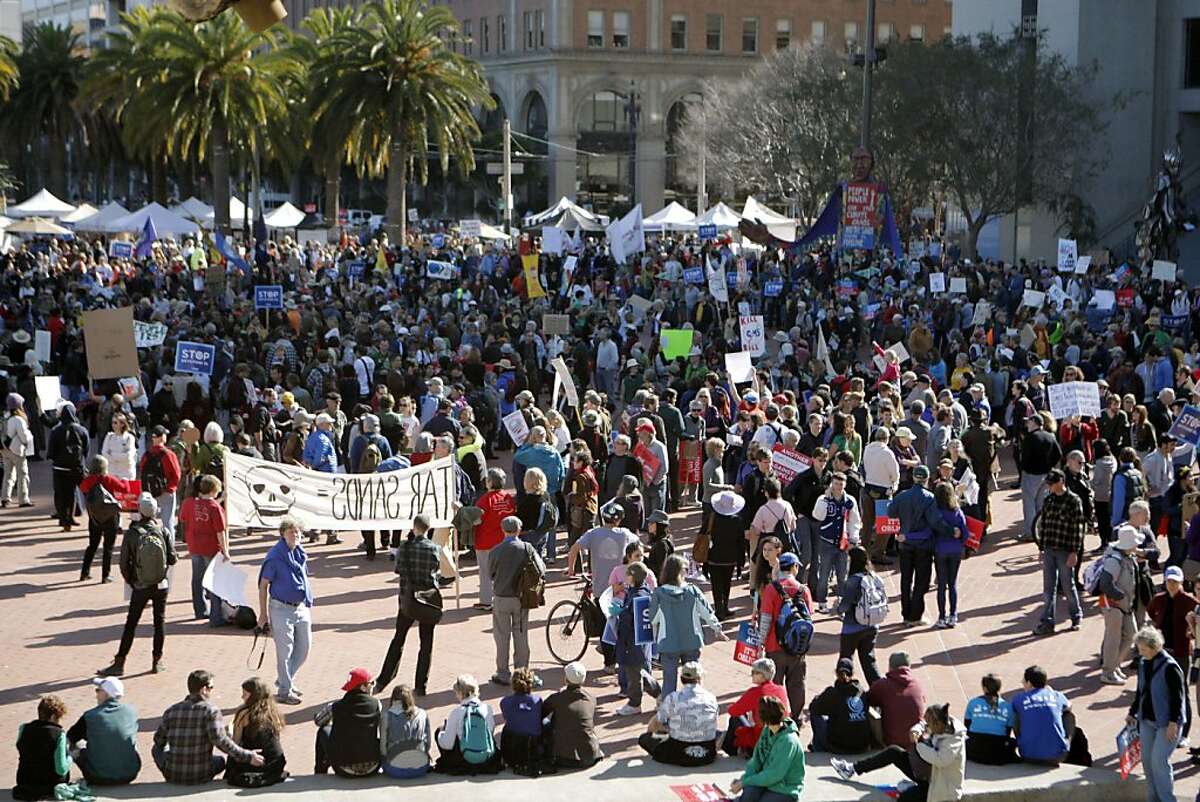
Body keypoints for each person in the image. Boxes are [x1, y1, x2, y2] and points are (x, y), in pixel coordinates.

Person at [96, 494, 177, 677]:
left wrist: (132, 581)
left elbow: (123, 563)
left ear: (140, 511)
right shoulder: (163, 531)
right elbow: (172, 558)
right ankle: (157, 661)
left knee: (131, 624)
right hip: (161, 584)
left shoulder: (133, 533)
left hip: (140, 585)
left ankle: (120, 662)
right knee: (159, 623)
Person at [831, 702, 965, 802]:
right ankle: (853, 769)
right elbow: (923, 723)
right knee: (894, 751)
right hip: (928, 775)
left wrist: (918, 744)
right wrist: (916, 730)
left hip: (939, 789)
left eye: (930, 725)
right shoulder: (941, 722)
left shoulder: (954, 740)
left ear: (938, 725)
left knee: (905, 798)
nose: (927, 727)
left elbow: (940, 759)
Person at [153, 670, 264, 784]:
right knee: (220, 761)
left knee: (156, 750)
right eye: (211, 687)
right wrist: (248, 756)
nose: (211, 691)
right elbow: (221, 742)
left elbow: (158, 741)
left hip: (173, 774)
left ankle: (174, 767)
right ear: (204, 690)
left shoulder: (171, 711)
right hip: (201, 774)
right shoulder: (210, 711)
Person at [375, 514, 440, 696]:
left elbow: (399, 569)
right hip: (427, 598)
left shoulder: (405, 547)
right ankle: (421, 685)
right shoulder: (434, 548)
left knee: (399, 638)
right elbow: (435, 570)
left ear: (414, 527)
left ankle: (384, 678)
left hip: (408, 598)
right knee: (426, 643)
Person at [649, 554, 727, 697]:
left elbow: (653, 619)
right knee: (693, 681)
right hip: (692, 641)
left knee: (669, 681)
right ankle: (694, 707)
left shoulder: (659, 594)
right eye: (685, 569)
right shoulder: (693, 591)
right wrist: (717, 630)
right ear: (680, 572)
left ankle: (667, 712)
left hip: (668, 643)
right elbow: (707, 612)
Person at [257, 515, 314, 705]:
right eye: (291, 532)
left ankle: (285, 678)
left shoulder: (299, 553)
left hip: (300, 607)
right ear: (283, 534)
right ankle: (284, 690)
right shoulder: (274, 557)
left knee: (304, 648)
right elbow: (263, 585)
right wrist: (263, 614)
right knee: (285, 650)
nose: (296, 535)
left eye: (297, 531)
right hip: (281, 608)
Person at [888, 465, 954, 626]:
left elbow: (891, 513)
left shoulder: (902, 496)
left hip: (905, 545)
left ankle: (906, 614)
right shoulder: (929, 498)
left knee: (906, 580)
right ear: (926, 479)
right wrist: (951, 531)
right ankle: (916, 615)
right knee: (922, 581)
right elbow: (935, 521)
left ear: (913, 478)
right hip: (924, 545)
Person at [1127, 626, 1186, 802]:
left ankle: (1167, 799)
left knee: (1159, 761)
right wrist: (1132, 712)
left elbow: (1178, 698)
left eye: (1143, 649)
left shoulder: (1170, 667)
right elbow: (1141, 691)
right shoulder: (1144, 664)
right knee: (1147, 760)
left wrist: (1173, 723)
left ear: (1154, 647)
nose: (1141, 652)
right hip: (1147, 719)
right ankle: (1153, 798)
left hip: (1167, 723)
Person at [490, 515, 545, 687]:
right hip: (521, 597)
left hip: (501, 596)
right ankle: (522, 670)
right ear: (519, 530)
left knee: (501, 636)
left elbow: (490, 573)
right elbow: (541, 569)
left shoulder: (496, 550)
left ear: (502, 529)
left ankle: (502, 672)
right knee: (521, 634)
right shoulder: (527, 548)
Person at [757, 552, 813, 722]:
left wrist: (761, 643)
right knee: (797, 684)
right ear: (794, 567)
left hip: (775, 646)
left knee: (774, 685)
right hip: (798, 647)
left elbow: (765, 619)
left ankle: (776, 718)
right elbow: (809, 618)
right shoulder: (804, 590)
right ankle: (796, 718)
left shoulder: (771, 589)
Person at [1031, 468, 1086, 636]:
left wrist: (1074, 552)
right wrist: (1041, 547)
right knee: (1048, 588)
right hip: (1049, 549)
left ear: (1061, 482)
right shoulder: (1049, 500)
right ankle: (1047, 622)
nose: (1049, 487)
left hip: (1064, 550)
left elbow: (1078, 529)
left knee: (1068, 586)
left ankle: (1076, 616)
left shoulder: (1073, 501)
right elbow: (1044, 525)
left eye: (1052, 483)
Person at [638, 660, 719, 767]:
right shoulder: (711, 698)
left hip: (679, 754)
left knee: (645, 738)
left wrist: (652, 732)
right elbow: (714, 721)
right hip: (707, 755)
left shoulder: (673, 697)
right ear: (699, 679)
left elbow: (657, 721)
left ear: (682, 679)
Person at [728, 695, 806, 802]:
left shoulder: (789, 741)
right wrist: (743, 779)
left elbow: (774, 775)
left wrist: (744, 782)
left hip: (784, 789)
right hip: (765, 782)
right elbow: (755, 761)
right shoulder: (767, 731)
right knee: (748, 794)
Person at [66, 677, 140, 786]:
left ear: (106, 694)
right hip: (129, 775)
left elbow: (71, 736)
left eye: (98, 690)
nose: (96, 694)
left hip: (97, 777)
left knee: (76, 745)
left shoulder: (90, 716)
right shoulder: (131, 712)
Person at [177, 474, 230, 626]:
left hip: (194, 546)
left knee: (197, 579)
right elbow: (220, 531)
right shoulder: (215, 508)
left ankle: (199, 610)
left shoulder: (189, 503)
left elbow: (183, 518)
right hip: (211, 548)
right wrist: (225, 550)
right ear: (215, 490)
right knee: (214, 583)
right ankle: (216, 616)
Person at [78, 455, 139, 584]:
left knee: (92, 545)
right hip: (110, 516)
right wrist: (124, 480)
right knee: (108, 547)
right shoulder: (108, 479)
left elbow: (83, 488)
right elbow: (125, 489)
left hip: (94, 517)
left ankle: (84, 572)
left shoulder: (88, 481)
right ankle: (105, 575)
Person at [1096, 519, 1142, 684]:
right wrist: (1120, 597)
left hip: (1125, 605)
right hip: (1113, 606)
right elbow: (1105, 584)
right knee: (1112, 639)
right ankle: (1108, 672)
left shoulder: (1127, 556)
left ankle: (1115, 666)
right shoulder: (1114, 560)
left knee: (1130, 635)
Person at [314, 668, 382, 777]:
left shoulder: (335, 706)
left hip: (343, 768)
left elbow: (318, 721)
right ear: (363, 687)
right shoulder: (377, 704)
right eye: (371, 683)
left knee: (324, 730)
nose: (372, 686)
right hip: (372, 767)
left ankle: (320, 772)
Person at [810, 471, 862, 614]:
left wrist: (854, 539)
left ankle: (841, 603)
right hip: (826, 541)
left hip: (843, 543)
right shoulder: (823, 499)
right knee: (824, 574)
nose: (838, 487)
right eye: (836, 483)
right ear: (832, 484)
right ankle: (822, 602)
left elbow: (855, 521)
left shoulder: (849, 501)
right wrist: (825, 500)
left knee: (842, 575)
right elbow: (817, 515)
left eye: (841, 484)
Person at [226, 677, 288, 787]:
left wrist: (230, 734)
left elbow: (236, 742)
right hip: (275, 763)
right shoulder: (274, 713)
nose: (242, 697)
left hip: (255, 761)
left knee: (233, 754)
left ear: (253, 695)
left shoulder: (244, 714)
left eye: (245, 694)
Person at [542, 661, 604, 770]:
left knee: (545, 722)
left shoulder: (556, 698)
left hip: (564, 759)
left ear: (566, 679)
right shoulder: (591, 698)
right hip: (590, 757)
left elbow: (541, 713)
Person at [434, 674, 502, 774]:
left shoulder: (456, 712)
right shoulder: (487, 709)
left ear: (460, 693)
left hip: (463, 759)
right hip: (486, 756)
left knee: (440, 730)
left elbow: (447, 744)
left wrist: (440, 735)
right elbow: (490, 731)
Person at [723, 657, 790, 756]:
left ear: (763, 675)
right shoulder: (781, 689)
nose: (752, 674)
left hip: (761, 742)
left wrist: (731, 707)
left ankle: (730, 749)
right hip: (779, 739)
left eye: (754, 672)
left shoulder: (756, 692)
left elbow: (733, 711)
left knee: (735, 718)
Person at [837, 546, 885, 685]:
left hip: (851, 628)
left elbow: (844, 607)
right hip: (871, 626)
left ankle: (843, 689)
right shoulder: (873, 576)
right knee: (869, 661)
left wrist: (837, 608)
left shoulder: (852, 581)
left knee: (845, 661)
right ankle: (878, 691)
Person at [614, 561, 656, 715]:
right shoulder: (642, 591)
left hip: (632, 641)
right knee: (640, 671)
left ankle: (634, 703)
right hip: (639, 641)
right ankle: (658, 695)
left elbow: (629, 620)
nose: (625, 577)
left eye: (628, 574)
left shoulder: (638, 595)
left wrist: (620, 613)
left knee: (633, 672)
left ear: (633, 577)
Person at [1011, 665, 1074, 765]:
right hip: (1058, 756)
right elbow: (1069, 706)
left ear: (1029, 683)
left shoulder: (1019, 698)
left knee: (1015, 714)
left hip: (1027, 754)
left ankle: (1023, 742)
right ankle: (1065, 744)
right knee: (1069, 715)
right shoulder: (1056, 695)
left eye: (1023, 681)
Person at [808, 657, 872, 755]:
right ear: (853, 673)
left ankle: (818, 746)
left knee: (816, 714)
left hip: (839, 746)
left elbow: (813, 707)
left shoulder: (833, 693)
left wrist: (819, 698)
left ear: (836, 673)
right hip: (862, 745)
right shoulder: (861, 691)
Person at [12, 695, 71, 801]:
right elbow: (61, 769)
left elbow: (20, 747)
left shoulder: (24, 728)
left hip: (24, 782)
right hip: (49, 786)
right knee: (67, 756)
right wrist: (70, 757)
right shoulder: (59, 734)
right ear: (53, 716)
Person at [866, 651, 928, 748]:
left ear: (890, 667)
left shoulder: (882, 685)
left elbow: (868, 699)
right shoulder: (918, 685)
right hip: (917, 739)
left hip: (892, 741)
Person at [474, 467, 516, 610]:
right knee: (502, 572)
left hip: (485, 541)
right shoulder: (508, 497)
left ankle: (486, 601)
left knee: (485, 573)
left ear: (490, 482)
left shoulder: (484, 500)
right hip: (504, 540)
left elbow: (477, 520)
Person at [1018, 413, 1062, 541]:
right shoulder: (1050, 436)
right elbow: (1058, 454)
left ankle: (1030, 533)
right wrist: (1050, 466)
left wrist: (1024, 468)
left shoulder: (1030, 438)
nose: (1027, 424)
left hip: (1031, 475)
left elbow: (1024, 458)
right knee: (1041, 503)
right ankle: (1041, 531)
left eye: (1029, 422)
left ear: (1034, 423)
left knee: (1029, 503)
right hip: (1046, 474)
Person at [47, 402, 88, 531]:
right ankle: (90, 517)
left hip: (60, 468)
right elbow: (86, 449)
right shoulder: (81, 430)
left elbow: (51, 452)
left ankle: (65, 521)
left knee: (63, 495)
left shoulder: (56, 430)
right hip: (77, 467)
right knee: (84, 491)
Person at [931, 481, 967, 628]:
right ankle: (953, 615)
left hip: (940, 550)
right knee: (952, 584)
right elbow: (964, 531)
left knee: (941, 585)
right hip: (955, 550)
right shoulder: (957, 511)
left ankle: (941, 616)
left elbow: (932, 531)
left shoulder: (936, 513)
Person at [139, 425, 182, 543]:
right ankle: (170, 548)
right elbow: (176, 474)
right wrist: (170, 488)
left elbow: (142, 471)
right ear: (162, 437)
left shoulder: (146, 455)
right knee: (168, 521)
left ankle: (149, 545)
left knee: (149, 521)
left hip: (150, 492)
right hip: (166, 491)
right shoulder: (168, 454)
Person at [707, 490, 747, 619]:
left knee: (716, 584)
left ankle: (719, 609)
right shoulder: (737, 520)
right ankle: (725, 607)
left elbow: (704, 535)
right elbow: (741, 542)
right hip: (730, 558)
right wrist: (741, 560)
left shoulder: (712, 517)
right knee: (726, 583)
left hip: (714, 557)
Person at [963, 674, 1017, 765]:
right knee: (1013, 742)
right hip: (997, 751)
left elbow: (967, 726)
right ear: (999, 688)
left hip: (974, 750)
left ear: (984, 688)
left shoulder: (973, 702)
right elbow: (1007, 732)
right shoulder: (1008, 706)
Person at [380, 685, 431, 779]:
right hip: (421, 768)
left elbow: (383, 747)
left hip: (395, 769)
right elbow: (428, 744)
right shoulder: (423, 713)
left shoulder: (387, 716)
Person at [498, 668, 544, 775]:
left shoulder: (505, 702)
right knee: (545, 722)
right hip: (534, 753)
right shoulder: (537, 701)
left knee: (507, 727)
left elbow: (508, 717)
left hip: (512, 755)